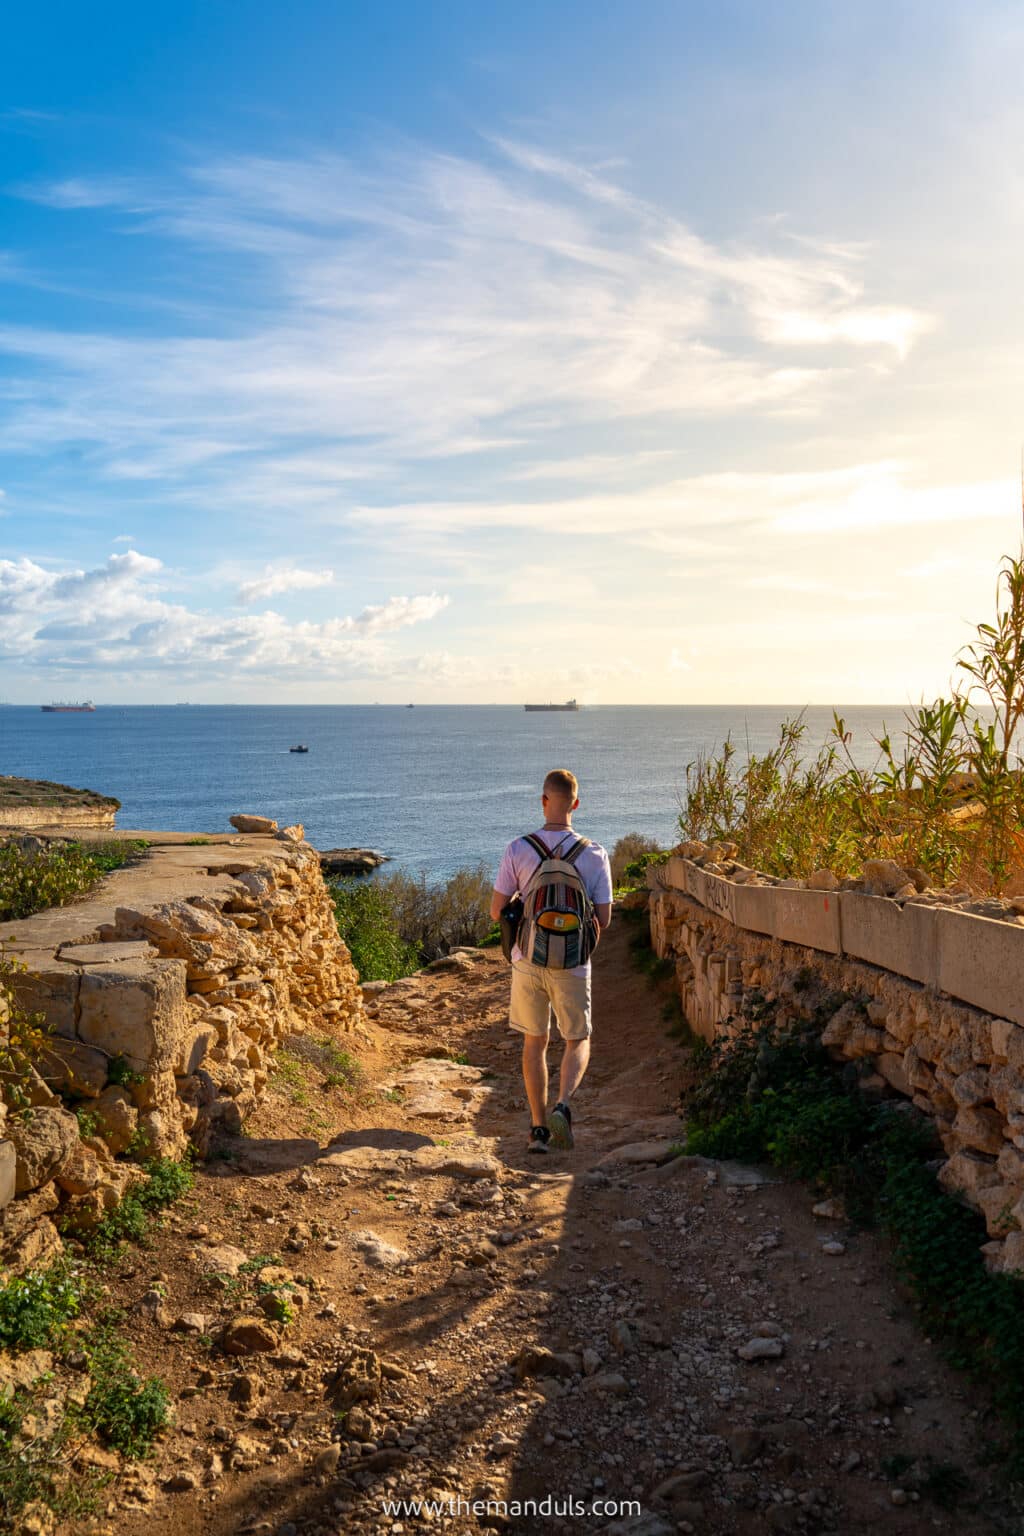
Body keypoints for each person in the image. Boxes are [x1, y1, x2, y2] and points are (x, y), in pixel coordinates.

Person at [490, 768, 612, 1153]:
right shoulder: (594, 853)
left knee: (534, 1042)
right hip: (573, 963)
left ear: (543, 801)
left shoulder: (518, 848)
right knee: (577, 1039)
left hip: (528, 958)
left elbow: (496, 911)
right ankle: (563, 1106)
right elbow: (604, 919)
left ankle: (538, 1130)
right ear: (576, 803)